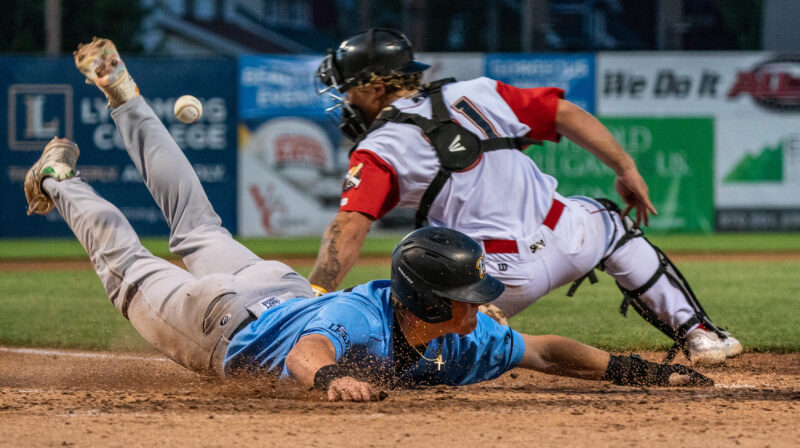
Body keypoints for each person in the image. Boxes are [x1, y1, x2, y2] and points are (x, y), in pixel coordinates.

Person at [21, 37, 713, 401]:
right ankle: (60, 179)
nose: (480, 311)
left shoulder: (460, 341)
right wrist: (329, 380)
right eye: (466, 300)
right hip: (220, 322)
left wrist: (636, 371)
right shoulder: (364, 326)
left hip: (284, 292)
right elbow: (309, 351)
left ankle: (125, 98)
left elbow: (545, 351)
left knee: (197, 227)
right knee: (129, 266)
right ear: (428, 305)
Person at [308, 28, 742, 366]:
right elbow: (565, 113)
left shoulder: (380, 146)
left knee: (415, 271)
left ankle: (436, 349)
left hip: (489, 279)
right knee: (610, 223)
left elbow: (350, 224)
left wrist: (317, 291)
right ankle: (700, 334)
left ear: (377, 87)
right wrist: (625, 168)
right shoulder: (476, 92)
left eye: (348, 89)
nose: (345, 100)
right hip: (569, 237)